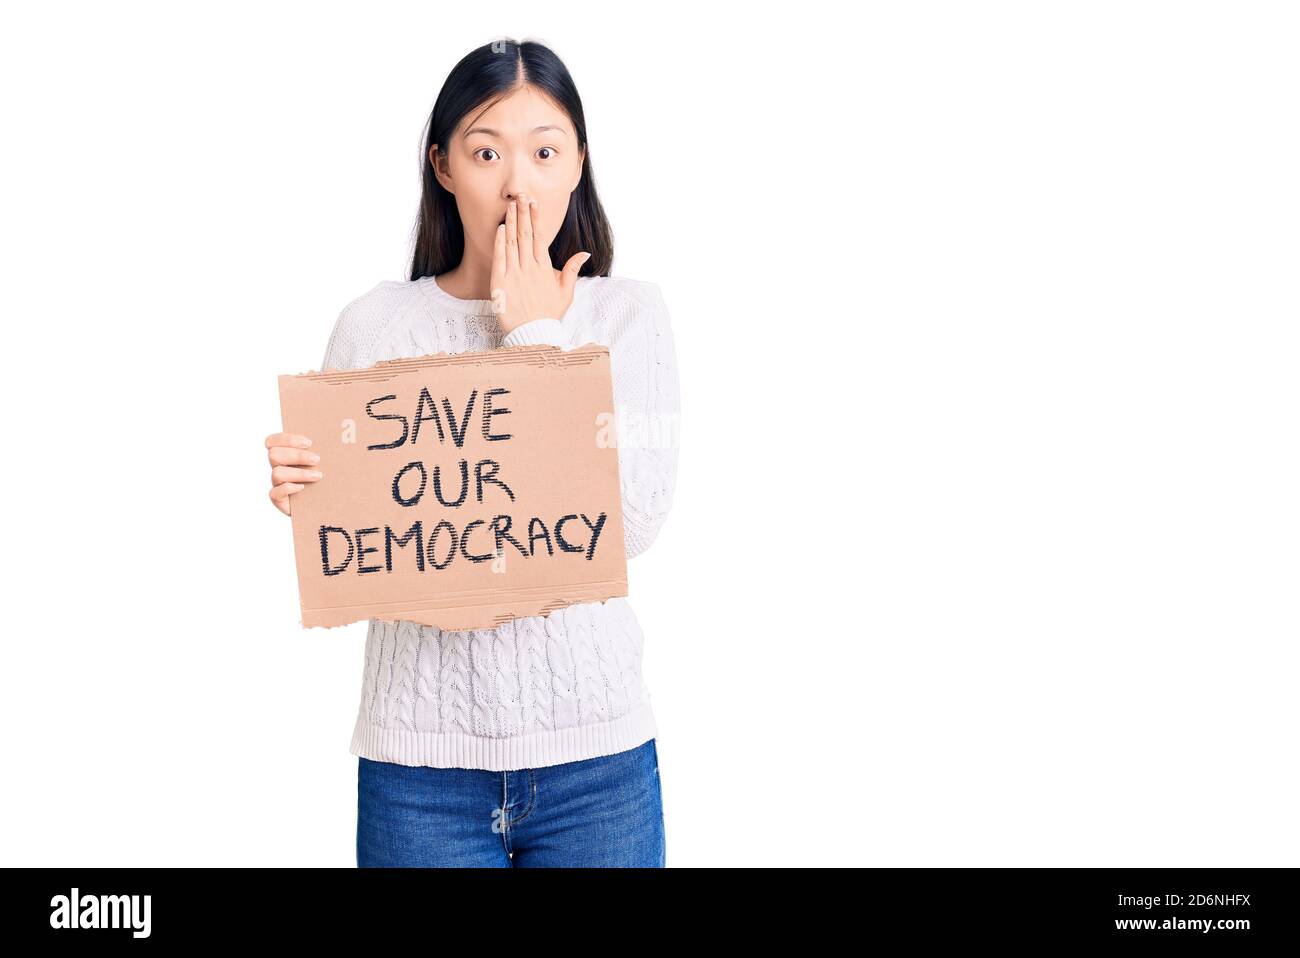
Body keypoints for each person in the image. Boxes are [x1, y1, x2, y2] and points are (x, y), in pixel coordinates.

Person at [262, 38, 680, 867]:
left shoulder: (626, 319)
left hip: (596, 763)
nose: (517, 183)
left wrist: (536, 333)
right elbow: (371, 537)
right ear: (443, 165)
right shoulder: (376, 325)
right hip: (419, 769)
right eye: (486, 152)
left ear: (577, 166)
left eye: (544, 151)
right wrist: (308, 489)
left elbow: (630, 523)